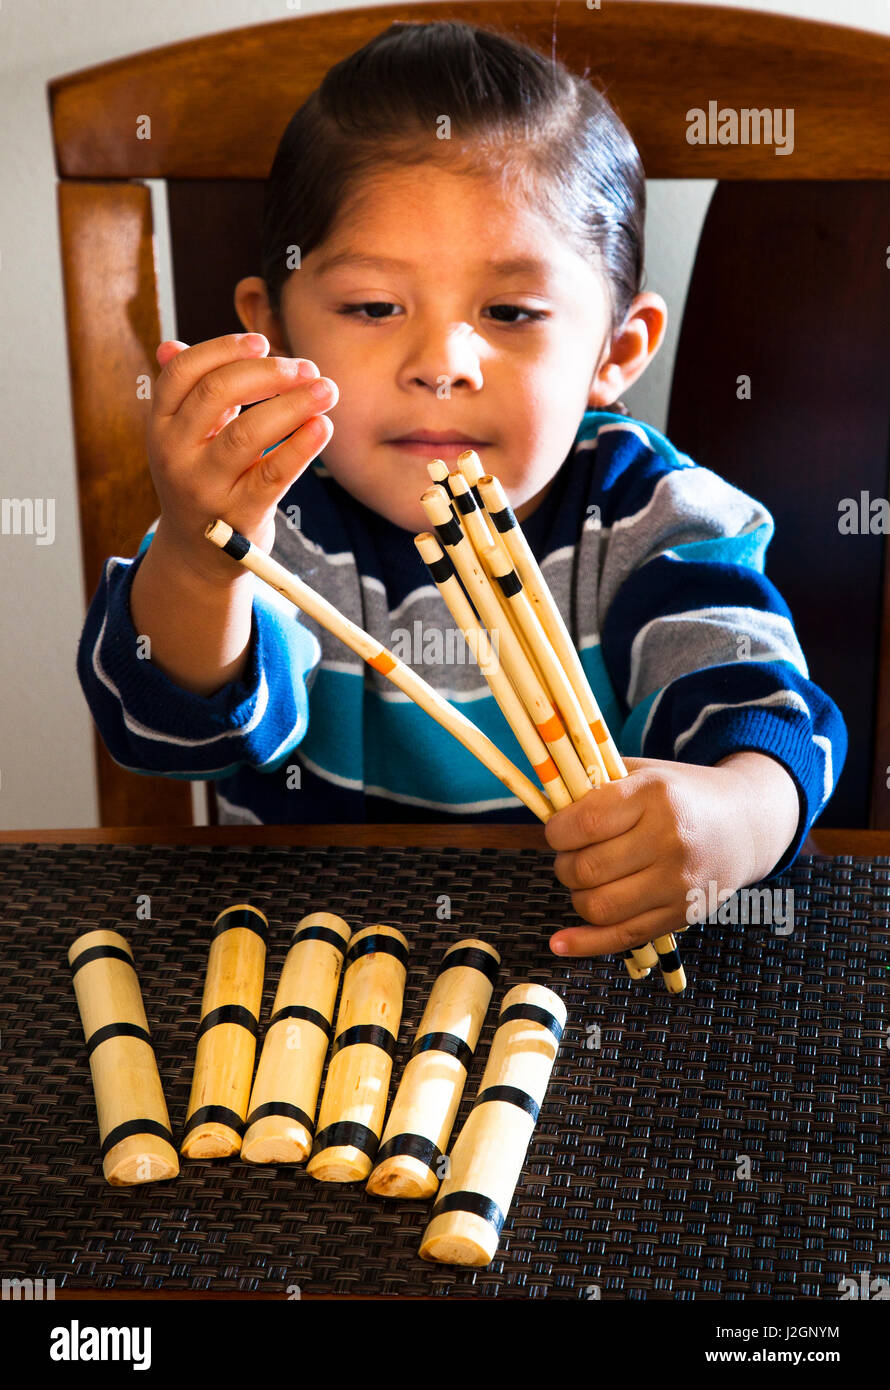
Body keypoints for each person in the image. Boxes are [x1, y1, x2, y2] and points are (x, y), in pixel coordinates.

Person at [77, 19, 846, 959]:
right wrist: (203, 563)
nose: (442, 364)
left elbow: (768, 714)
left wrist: (737, 816)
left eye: (511, 312)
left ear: (617, 353)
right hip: (303, 990)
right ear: (273, 328)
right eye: (372, 307)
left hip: (585, 984)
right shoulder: (270, 521)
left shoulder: (657, 521)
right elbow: (165, 733)